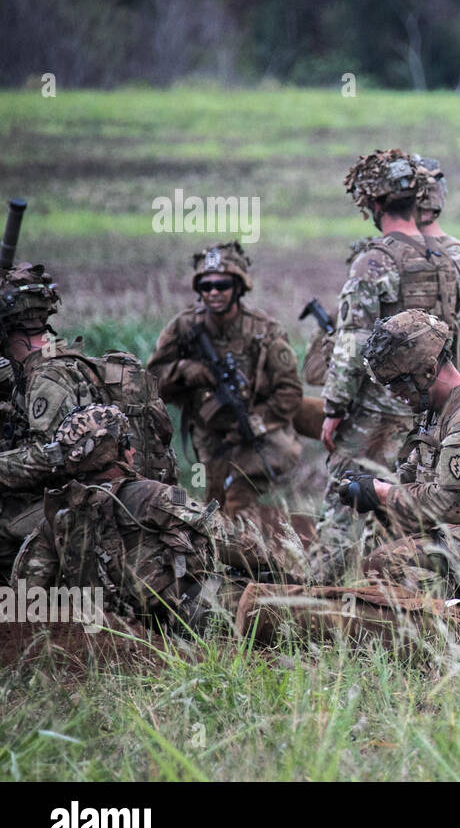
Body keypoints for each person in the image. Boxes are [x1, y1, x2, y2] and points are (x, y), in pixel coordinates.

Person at [314, 150, 460, 581]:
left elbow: (352, 339)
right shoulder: (453, 260)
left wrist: (334, 408)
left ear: (373, 205)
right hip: (436, 413)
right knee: (414, 507)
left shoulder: (375, 260)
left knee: (345, 507)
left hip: (378, 416)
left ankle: (320, 599)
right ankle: (404, 595)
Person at [9, 404, 278, 634]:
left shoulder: (54, 520)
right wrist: (275, 568)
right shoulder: (155, 494)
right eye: (127, 443)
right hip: (192, 617)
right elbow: (231, 540)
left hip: (118, 633)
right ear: (113, 451)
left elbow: (24, 592)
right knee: (290, 612)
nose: (134, 452)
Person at [335, 310, 460, 603]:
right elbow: (412, 475)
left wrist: (382, 493)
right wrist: (372, 486)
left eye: (398, 384)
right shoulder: (438, 413)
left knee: (387, 561)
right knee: (380, 532)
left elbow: (450, 504)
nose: (394, 395)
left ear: (429, 371)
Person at [0, 263, 177, 574]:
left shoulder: (47, 378)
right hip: (116, 492)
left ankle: (29, 608)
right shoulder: (62, 360)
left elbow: (47, 456)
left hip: (91, 501)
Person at [147, 242, 303, 530]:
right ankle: (220, 561)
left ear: (238, 287)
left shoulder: (264, 330)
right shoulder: (184, 327)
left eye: (222, 285)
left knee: (242, 499)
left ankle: (262, 546)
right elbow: (150, 379)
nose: (214, 293)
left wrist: (253, 424)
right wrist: (182, 369)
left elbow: (290, 391)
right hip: (208, 431)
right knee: (213, 507)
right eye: (206, 287)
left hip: (254, 427)